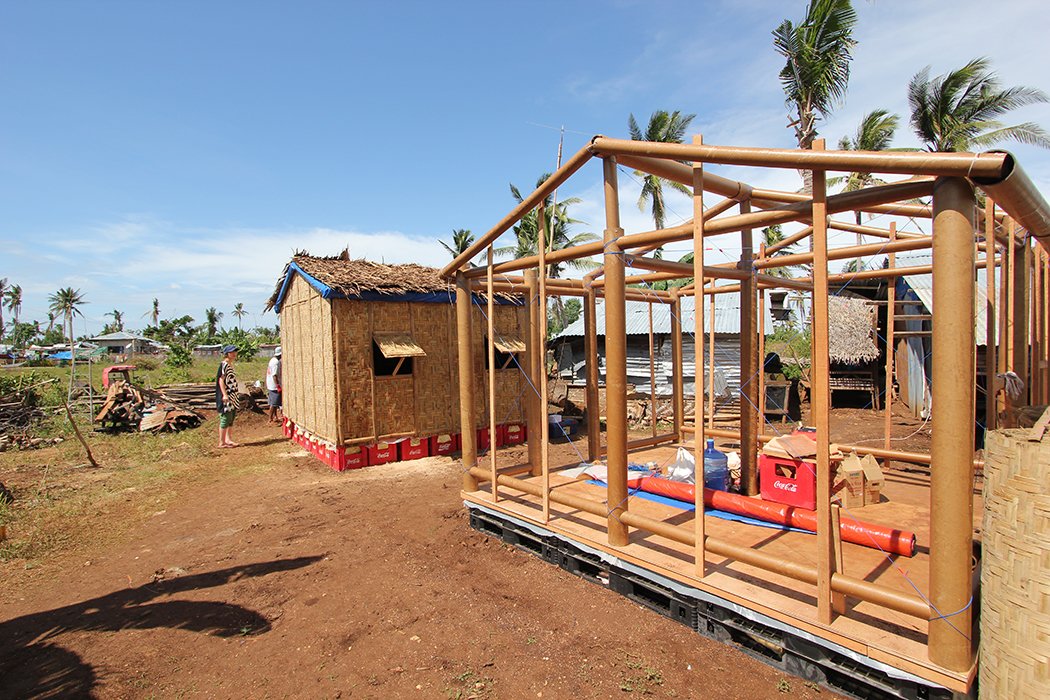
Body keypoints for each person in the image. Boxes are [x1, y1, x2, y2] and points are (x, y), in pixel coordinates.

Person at [215, 344, 240, 447]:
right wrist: (224, 394)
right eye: (231, 352)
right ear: (227, 354)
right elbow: (221, 380)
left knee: (231, 417)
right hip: (227, 395)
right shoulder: (224, 365)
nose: (234, 354)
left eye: (235, 352)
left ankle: (228, 439)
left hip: (233, 395)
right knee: (225, 418)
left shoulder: (229, 365)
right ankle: (221, 442)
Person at [266, 346, 283, 424]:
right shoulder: (276, 362)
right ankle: (270, 419)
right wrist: (278, 386)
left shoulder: (272, 360)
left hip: (270, 384)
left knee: (274, 403)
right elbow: (274, 375)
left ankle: (275, 417)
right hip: (274, 385)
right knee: (274, 403)